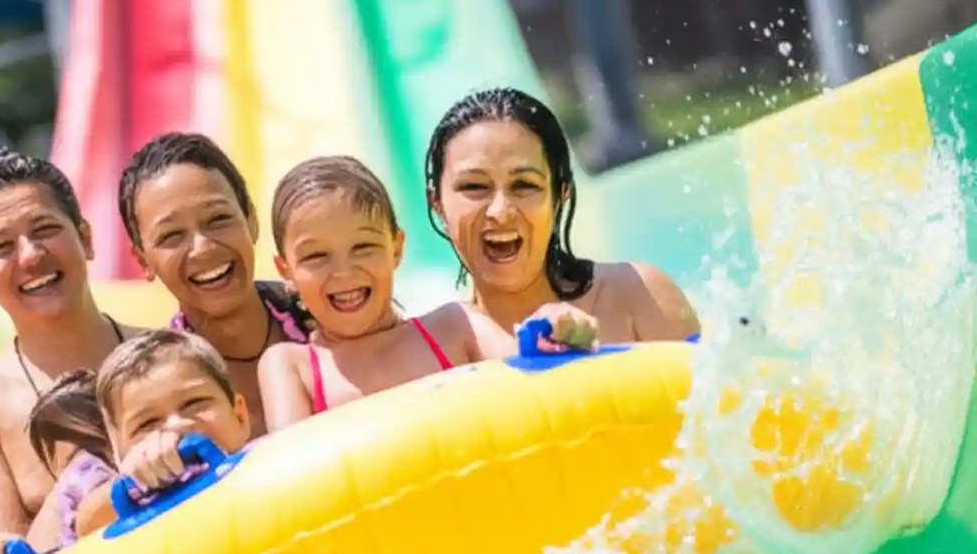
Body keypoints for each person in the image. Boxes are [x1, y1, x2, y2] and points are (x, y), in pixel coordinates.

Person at [0, 147, 143, 554]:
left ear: (85, 237)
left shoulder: (164, 352)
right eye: (2, 247)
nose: (29, 256)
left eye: (45, 229)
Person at [257, 155, 597, 432]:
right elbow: (287, 471)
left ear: (397, 248)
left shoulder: (455, 329)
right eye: (316, 256)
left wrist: (553, 333)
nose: (344, 273)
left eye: (364, 246)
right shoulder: (292, 367)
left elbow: (539, 383)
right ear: (285, 270)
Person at [425, 87, 700, 341]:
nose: (500, 212)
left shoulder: (640, 298)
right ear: (436, 201)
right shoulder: (430, 347)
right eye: (474, 186)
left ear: (560, 195)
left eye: (524, 185)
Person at [118, 133, 311, 437]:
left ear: (251, 221)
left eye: (218, 218)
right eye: (171, 236)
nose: (203, 248)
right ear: (143, 261)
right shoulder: (152, 391)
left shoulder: (325, 317)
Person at [27, 329, 254, 551]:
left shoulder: (266, 459)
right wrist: (137, 480)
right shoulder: (132, 502)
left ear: (240, 416)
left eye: (194, 403)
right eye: (148, 423)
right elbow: (88, 522)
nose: (175, 426)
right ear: (118, 455)